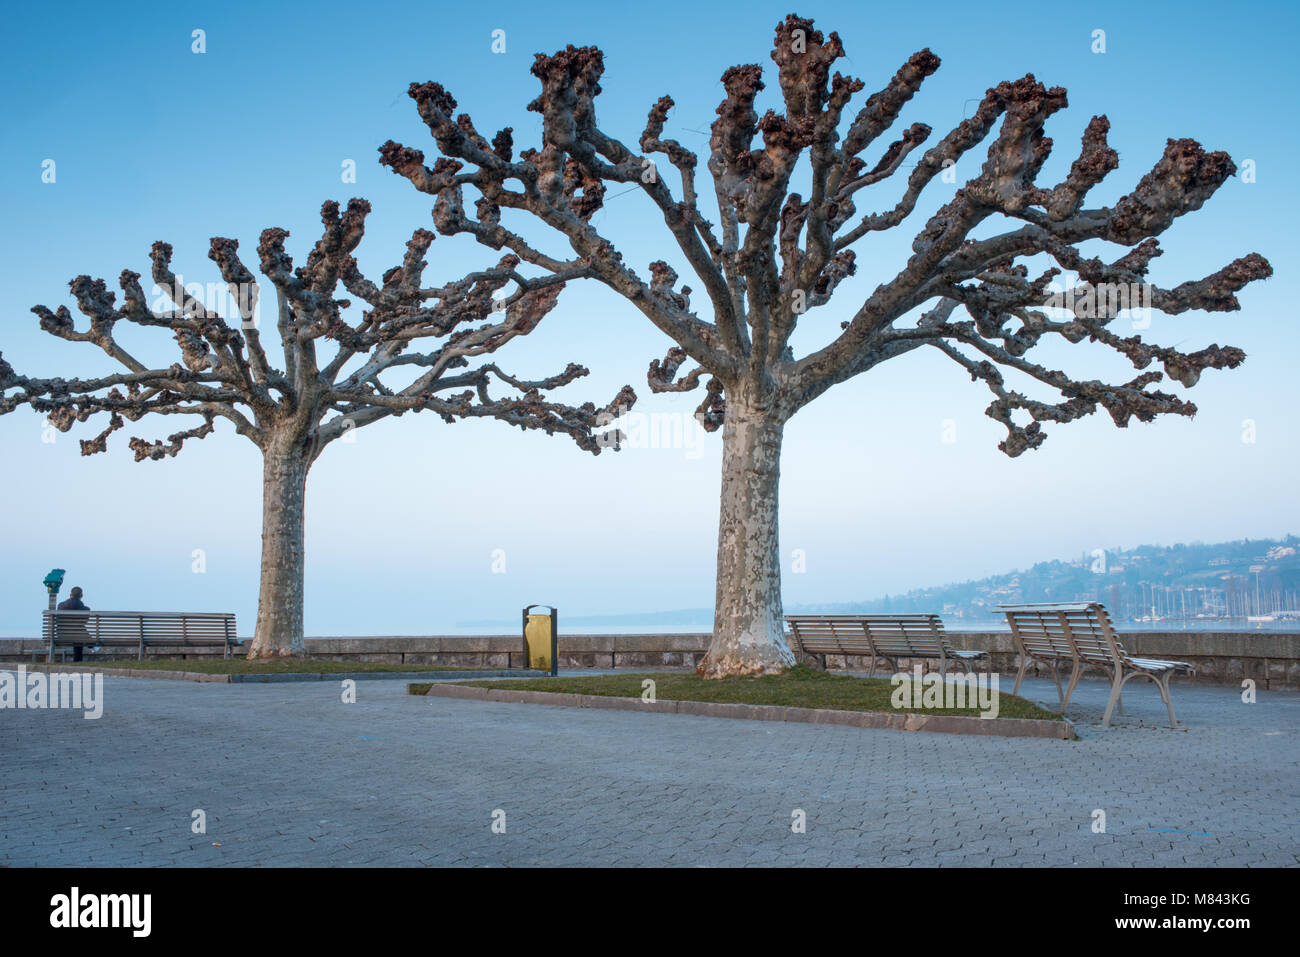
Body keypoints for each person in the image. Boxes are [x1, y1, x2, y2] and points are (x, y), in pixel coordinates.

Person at [55, 587, 95, 661]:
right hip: (77, 635)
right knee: (79, 632)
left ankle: (90, 646)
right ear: (81, 595)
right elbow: (84, 622)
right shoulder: (84, 608)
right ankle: (91, 646)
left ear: (71, 595)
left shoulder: (60, 605)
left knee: (78, 631)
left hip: (61, 635)